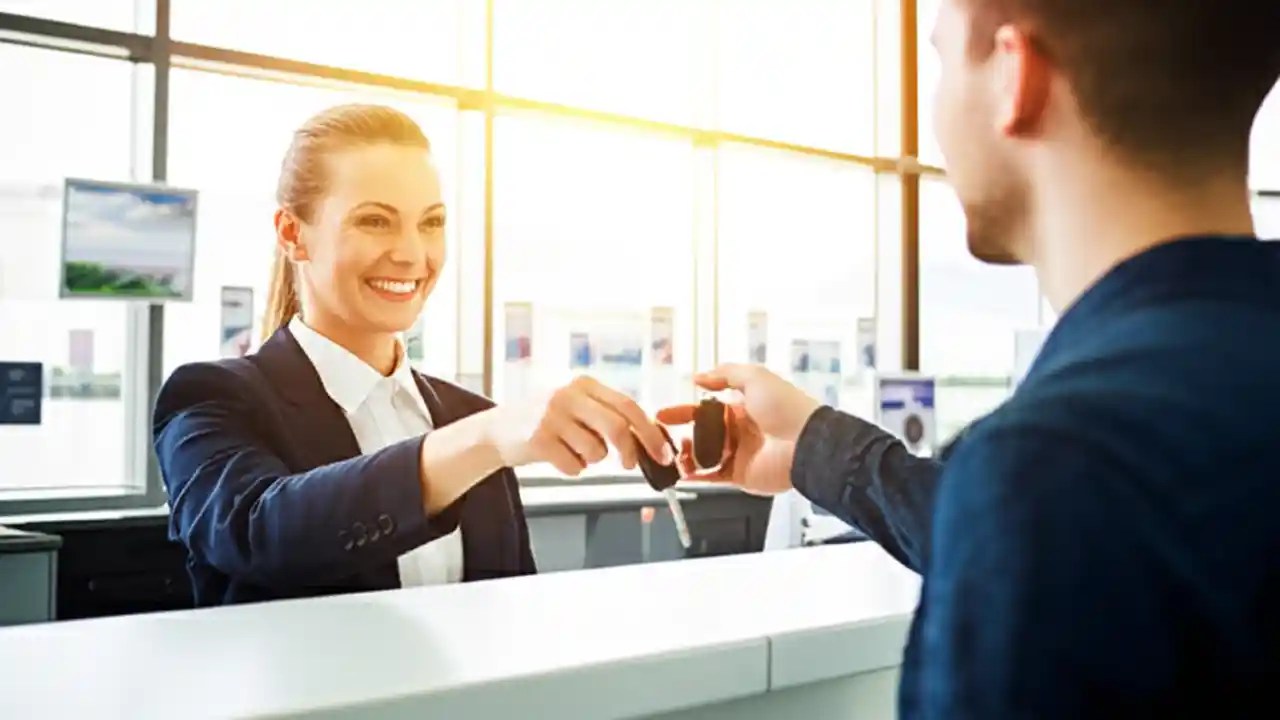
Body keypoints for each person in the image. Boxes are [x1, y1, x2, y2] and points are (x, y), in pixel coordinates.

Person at [662, 1, 1280, 716]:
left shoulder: (1051, 470)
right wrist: (814, 449)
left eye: (943, 55)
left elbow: (1051, 519)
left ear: (1014, 78)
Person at [154, 104, 671, 607]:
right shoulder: (210, 398)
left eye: (431, 222)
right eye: (375, 221)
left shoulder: (469, 418)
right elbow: (260, 534)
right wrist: (484, 440)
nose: (411, 254)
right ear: (293, 234)